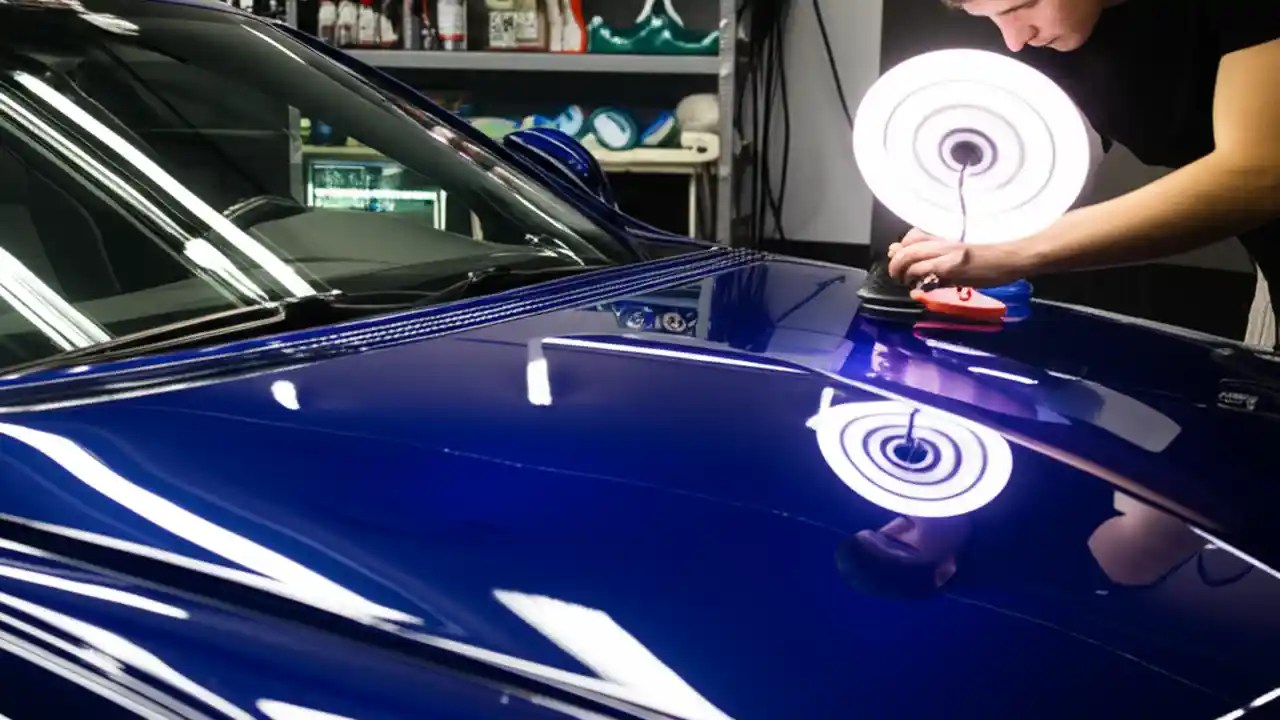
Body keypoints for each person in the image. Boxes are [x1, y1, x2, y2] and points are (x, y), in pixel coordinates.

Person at [886, 0, 1280, 343]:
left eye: (1022, 5)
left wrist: (1014, 251)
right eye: (989, 16)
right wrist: (969, 233)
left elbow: (1260, 175)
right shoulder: (1049, 46)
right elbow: (1057, 161)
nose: (1014, 39)